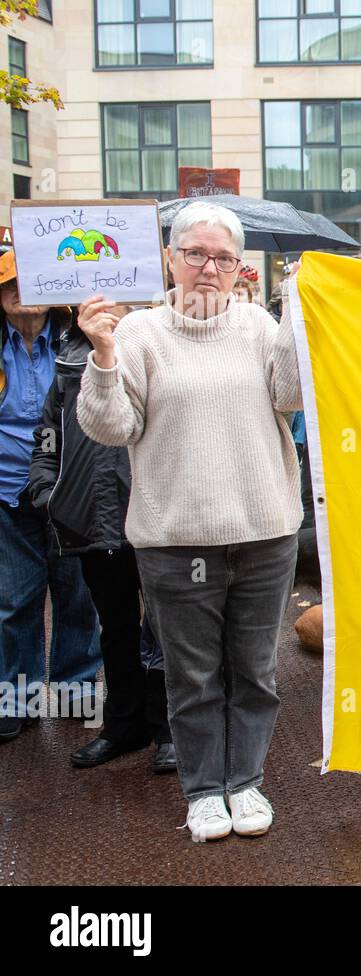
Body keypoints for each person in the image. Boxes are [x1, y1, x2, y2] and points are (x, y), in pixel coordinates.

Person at [77, 202, 303, 843]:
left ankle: (247, 781)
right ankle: (205, 790)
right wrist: (102, 353)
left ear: (239, 266)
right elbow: (112, 427)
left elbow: (290, 397)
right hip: (176, 541)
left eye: (224, 257)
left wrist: (293, 321)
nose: (210, 267)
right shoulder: (140, 334)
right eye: (196, 253)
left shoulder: (259, 326)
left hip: (264, 533)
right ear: (170, 257)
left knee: (256, 673)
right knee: (193, 676)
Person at [27, 294, 174, 772]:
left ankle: (168, 729)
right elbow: (49, 431)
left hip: (156, 515)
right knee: (114, 628)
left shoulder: (161, 340)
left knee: (167, 630)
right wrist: (47, 492)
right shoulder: (69, 353)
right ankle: (124, 725)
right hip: (91, 518)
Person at [0, 250, 101, 743]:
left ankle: (74, 691)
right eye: (7, 286)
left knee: (76, 596)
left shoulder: (73, 339)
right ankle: (16, 699)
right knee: (14, 601)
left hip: (69, 491)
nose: (19, 293)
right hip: (6, 493)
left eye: (27, 283)